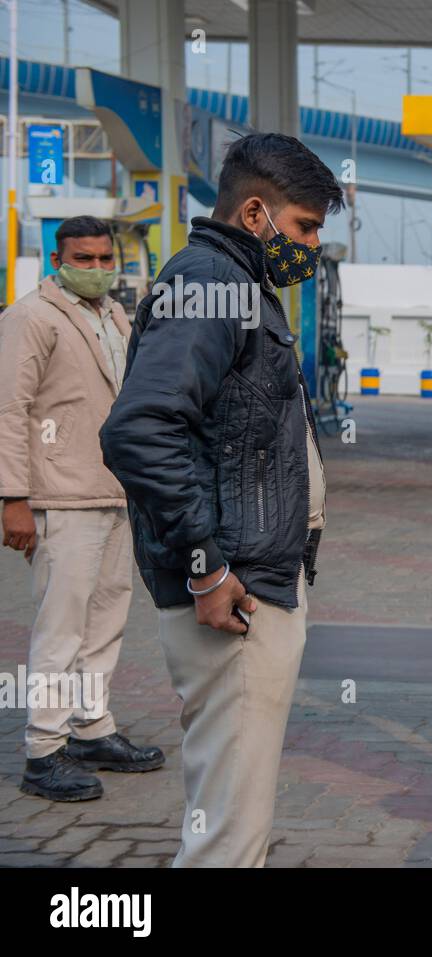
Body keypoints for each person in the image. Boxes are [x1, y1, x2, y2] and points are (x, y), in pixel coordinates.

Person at [100, 133, 342, 866]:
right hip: (232, 595)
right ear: (257, 212)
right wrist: (206, 566)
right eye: (304, 228)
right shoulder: (213, 281)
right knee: (227, 842)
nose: (311, 246)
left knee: (238, 823)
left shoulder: (236, 284)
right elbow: (140, 428)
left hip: (254, 580)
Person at [0, 216, 164, 802]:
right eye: (83, 259)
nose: (95, 269)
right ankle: (44, 751)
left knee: (105, 621)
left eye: (103, 259)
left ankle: (92, 728)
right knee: (61, 629)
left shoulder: (115, 315)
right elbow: (8, 409)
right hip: (58, 495)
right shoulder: (29, 318)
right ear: (56, 259)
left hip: (115, 491)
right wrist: (12, 499)